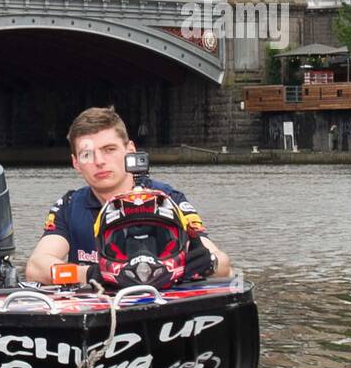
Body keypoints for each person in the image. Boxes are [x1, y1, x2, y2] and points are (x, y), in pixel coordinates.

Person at [25, 106, 231, 284]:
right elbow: (36, 268)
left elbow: (223, 265)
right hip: (97, 305)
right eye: (87, 154)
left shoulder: (167, 198)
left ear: (130, 150)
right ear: (76, 163)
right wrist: (90, 274)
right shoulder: (69, 206)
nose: (99, 161)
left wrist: (205, 264)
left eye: (109, 149)